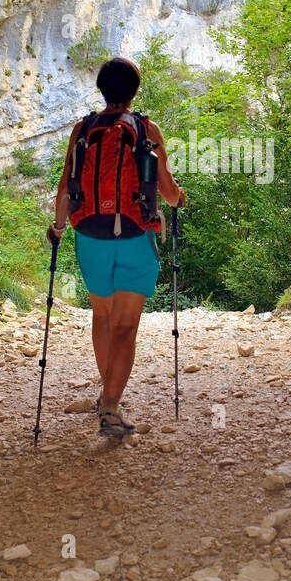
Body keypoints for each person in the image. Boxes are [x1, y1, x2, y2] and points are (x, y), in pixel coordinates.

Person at [48, 57, 185, 437]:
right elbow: (168, 191)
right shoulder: (146, 128)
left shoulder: (83, 128)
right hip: (135, 239)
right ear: (135, 91)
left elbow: (65, 188)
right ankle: (110, 406)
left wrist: (58, 228)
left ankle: (107, 391)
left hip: (90, 235)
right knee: (125, 327)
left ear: (102, 89)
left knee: (102, 316)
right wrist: (179, 200)